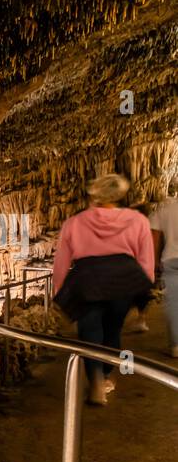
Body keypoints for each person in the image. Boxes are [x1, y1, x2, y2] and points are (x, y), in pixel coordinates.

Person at [52, 173, 155, 405]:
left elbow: (61, 262)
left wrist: (59, 291)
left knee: (89, 332)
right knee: (113, 329)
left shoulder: (76, 222)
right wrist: (142, 290)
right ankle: (108, 375)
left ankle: (96, 380)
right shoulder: (137, 220)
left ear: (95, 195)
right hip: (124, 279)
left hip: (88, 279)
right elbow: (145, 260)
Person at [148, 187, 178, 358]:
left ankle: (176, 344)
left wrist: (154, 260)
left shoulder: (166, 209)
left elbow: (155, 235)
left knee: (174, 303)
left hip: (171, 259)